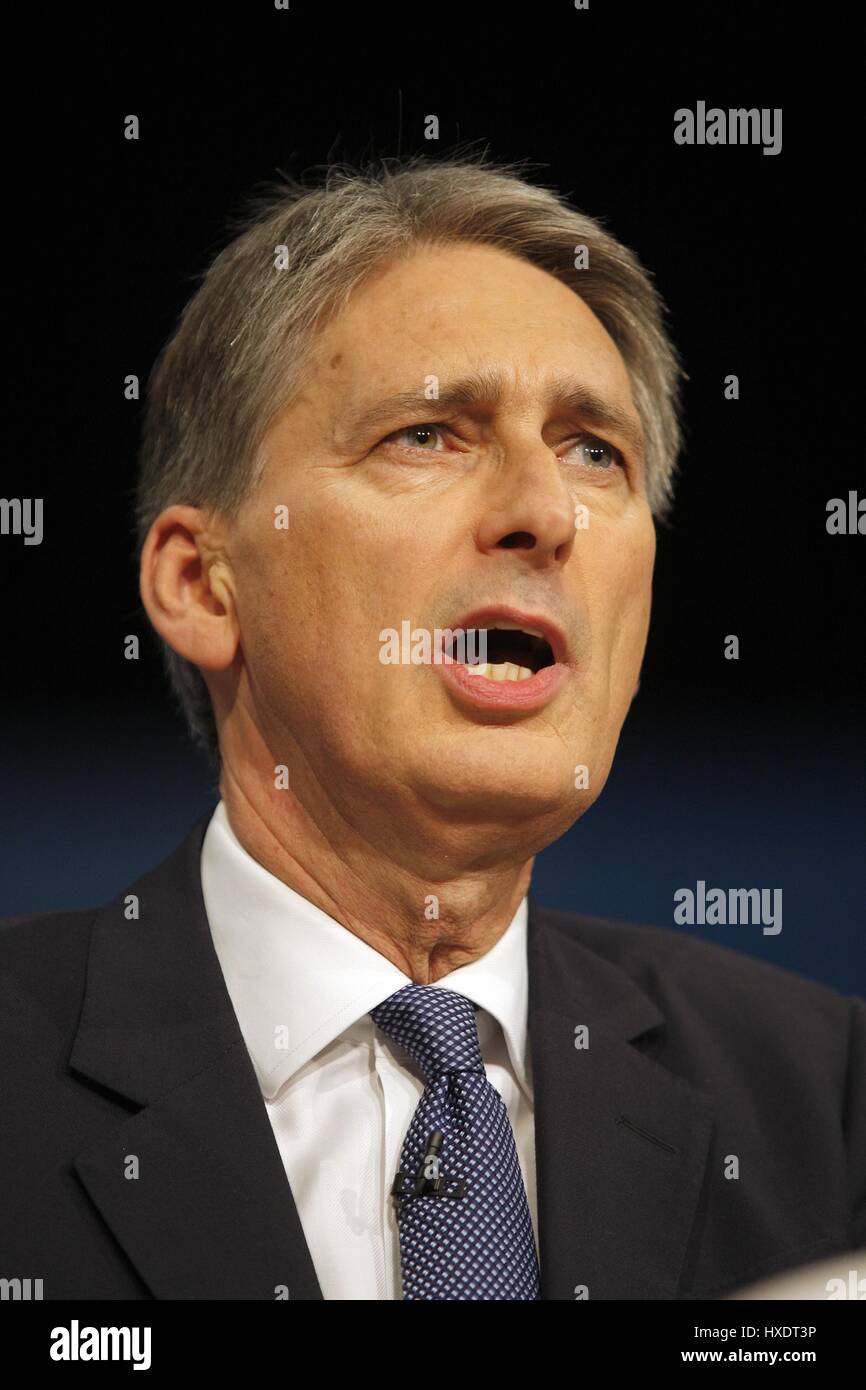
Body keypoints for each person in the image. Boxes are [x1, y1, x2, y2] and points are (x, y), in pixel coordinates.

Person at [1, 155, 864, 1301]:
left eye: (591, 451)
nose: (542, 513)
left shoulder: (827, 1100)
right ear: (204, 585)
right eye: (426, 434)